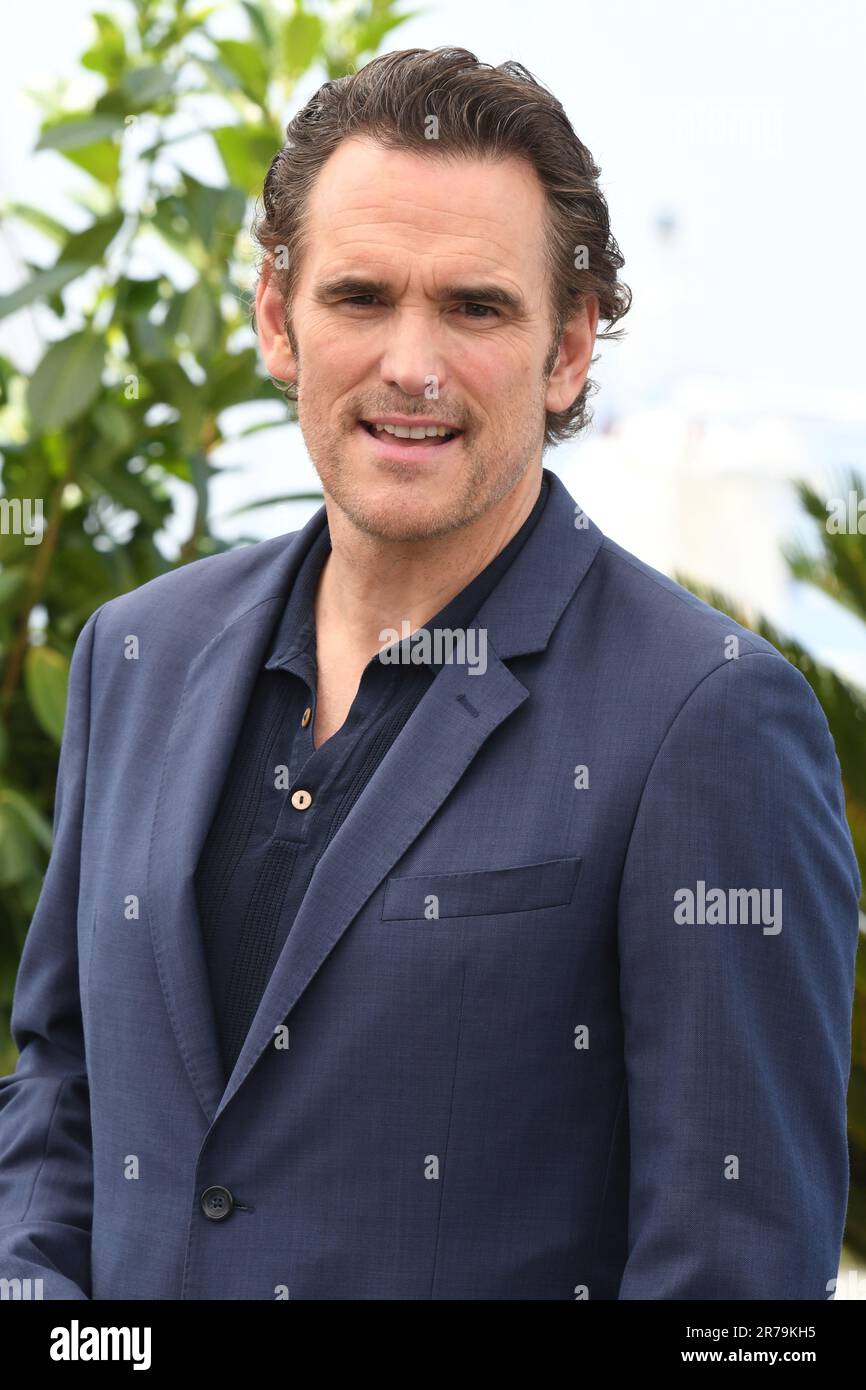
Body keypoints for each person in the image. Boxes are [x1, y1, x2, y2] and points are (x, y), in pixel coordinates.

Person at [0, 47, 859, 1301]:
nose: (412, 364)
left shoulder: (709, 719)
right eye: (358, 297)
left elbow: (731, 1282)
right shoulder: (137, 651)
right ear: (273, 318)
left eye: (474, 306)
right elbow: (61, 1087)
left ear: (567, 349)